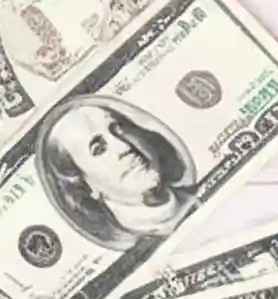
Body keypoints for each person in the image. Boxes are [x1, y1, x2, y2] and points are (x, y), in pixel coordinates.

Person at [38, 97, 197, 249]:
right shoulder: (126, 243)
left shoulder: (195, 193)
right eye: (99, 149)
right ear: (85, 185)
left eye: (119, 131)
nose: (124, 147)